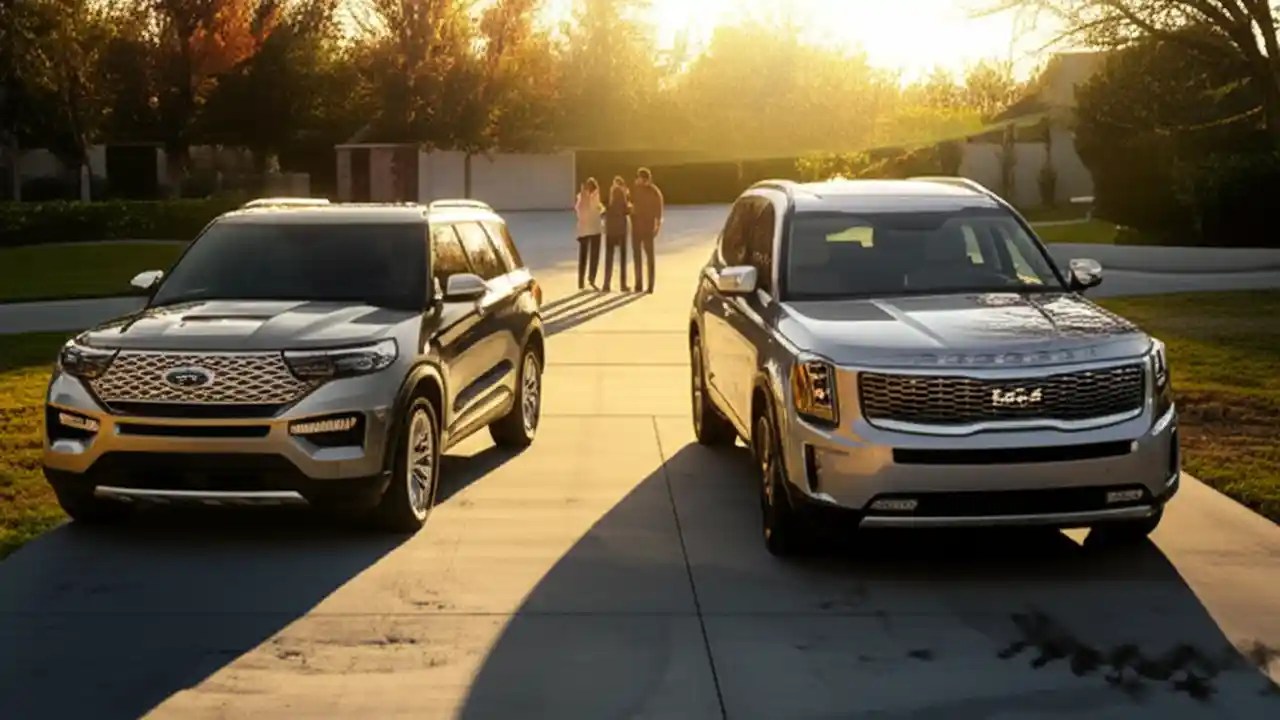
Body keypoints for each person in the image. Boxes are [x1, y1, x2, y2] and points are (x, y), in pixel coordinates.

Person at [630, 167, 664, 293]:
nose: (637, 180)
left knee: (649, 257)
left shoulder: (654, 192)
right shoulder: (636, 189)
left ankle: (650, 285)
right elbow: (632, 204)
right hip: (636, 226)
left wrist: (657, 225)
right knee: (637, 256)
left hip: (647, 227)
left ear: (643, 178)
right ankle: (638, 284)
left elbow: (659, 211)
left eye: (639, 177)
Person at [601, 176, 631, 292]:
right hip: (621, 231)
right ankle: (623, 285)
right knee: (622, 259)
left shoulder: (609, 200)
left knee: (609, 258)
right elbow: (627, 210)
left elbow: (602, 212)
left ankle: (606, 284)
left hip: (610, 231)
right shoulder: (623, 199)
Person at [574, 178, 603, 289]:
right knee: (594, 256)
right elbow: (598, 209)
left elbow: (578, 210)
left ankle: (581, 281)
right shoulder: (595, 196)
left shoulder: (581, 197)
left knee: (583, 257)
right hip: (595, 229)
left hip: (583, 230)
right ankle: (591, 279)